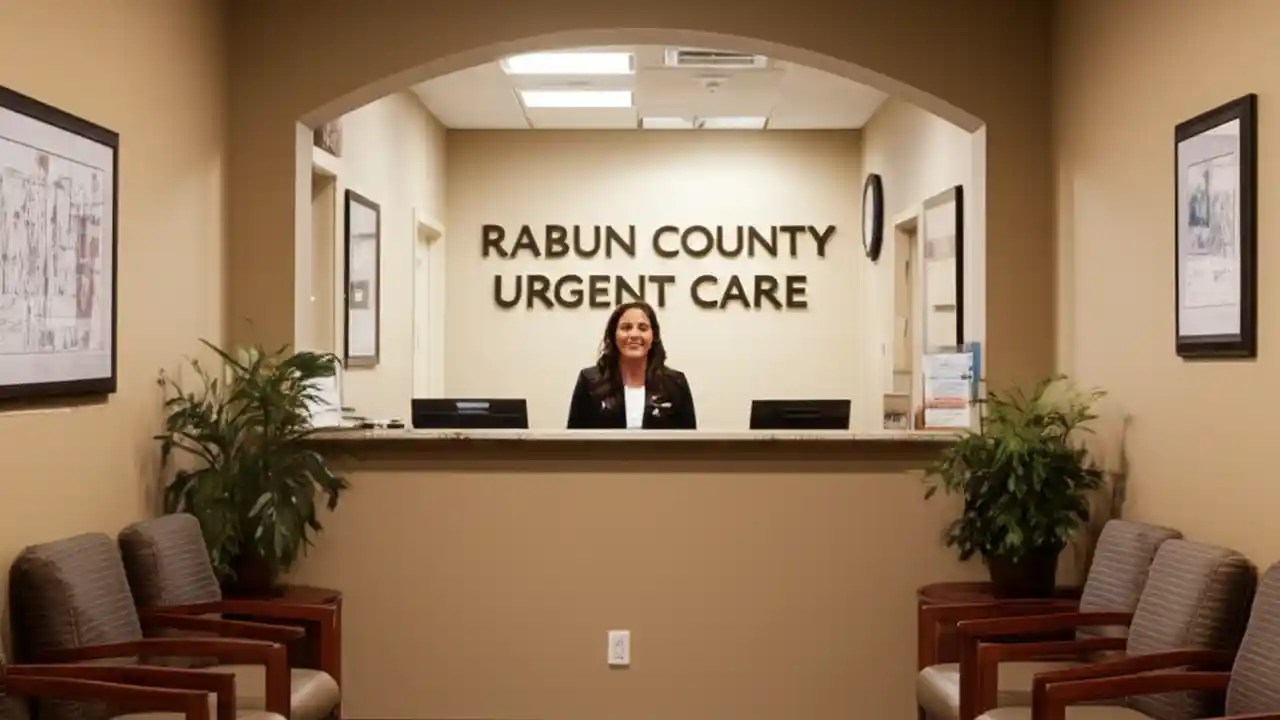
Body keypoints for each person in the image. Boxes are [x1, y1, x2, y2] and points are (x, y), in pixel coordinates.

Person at [566, 301, 697, 430]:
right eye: (626, 327)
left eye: (643, 328)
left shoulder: (675, 383)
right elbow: (573, 439)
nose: (634, 335)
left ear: (654, 336)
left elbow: (690, 441)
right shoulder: (590, 381)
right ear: (613, 335)